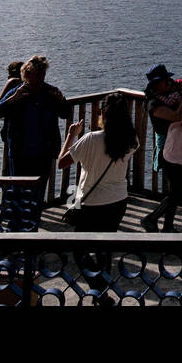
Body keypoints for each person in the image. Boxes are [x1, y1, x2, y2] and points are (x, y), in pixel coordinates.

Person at [57, 92, 137, 304]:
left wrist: (72, 134)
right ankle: (101, 290)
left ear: (103, 114)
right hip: (119, 201)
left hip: (92, 203)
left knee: (78, 249)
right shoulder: (132, 140)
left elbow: (61, 163)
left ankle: (99, 289)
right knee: (105, 246)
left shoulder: (91, 139)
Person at [0, 55, 69, 211]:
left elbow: (65, 113)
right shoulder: (17, 92)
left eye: (43, 74)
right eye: (38, 74)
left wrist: (61, 101)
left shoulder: (49, 92)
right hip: (20, 154)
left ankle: (32, 228)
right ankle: (17, 229)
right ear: (27, 74)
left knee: (37, 196)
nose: (41, 78)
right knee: (19, 196)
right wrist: (11, 100)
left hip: (43, 153)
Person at [141, 65, 182, 232]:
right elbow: (176, 116)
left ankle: (167, 225)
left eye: (168, 79)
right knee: (179, 188)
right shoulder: (153, 103)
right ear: (156, 84)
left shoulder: (166, 97)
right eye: (164, 80)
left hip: (177, 145)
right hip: (168, 148)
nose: (168, 82)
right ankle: (151, 218)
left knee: (177, 187)